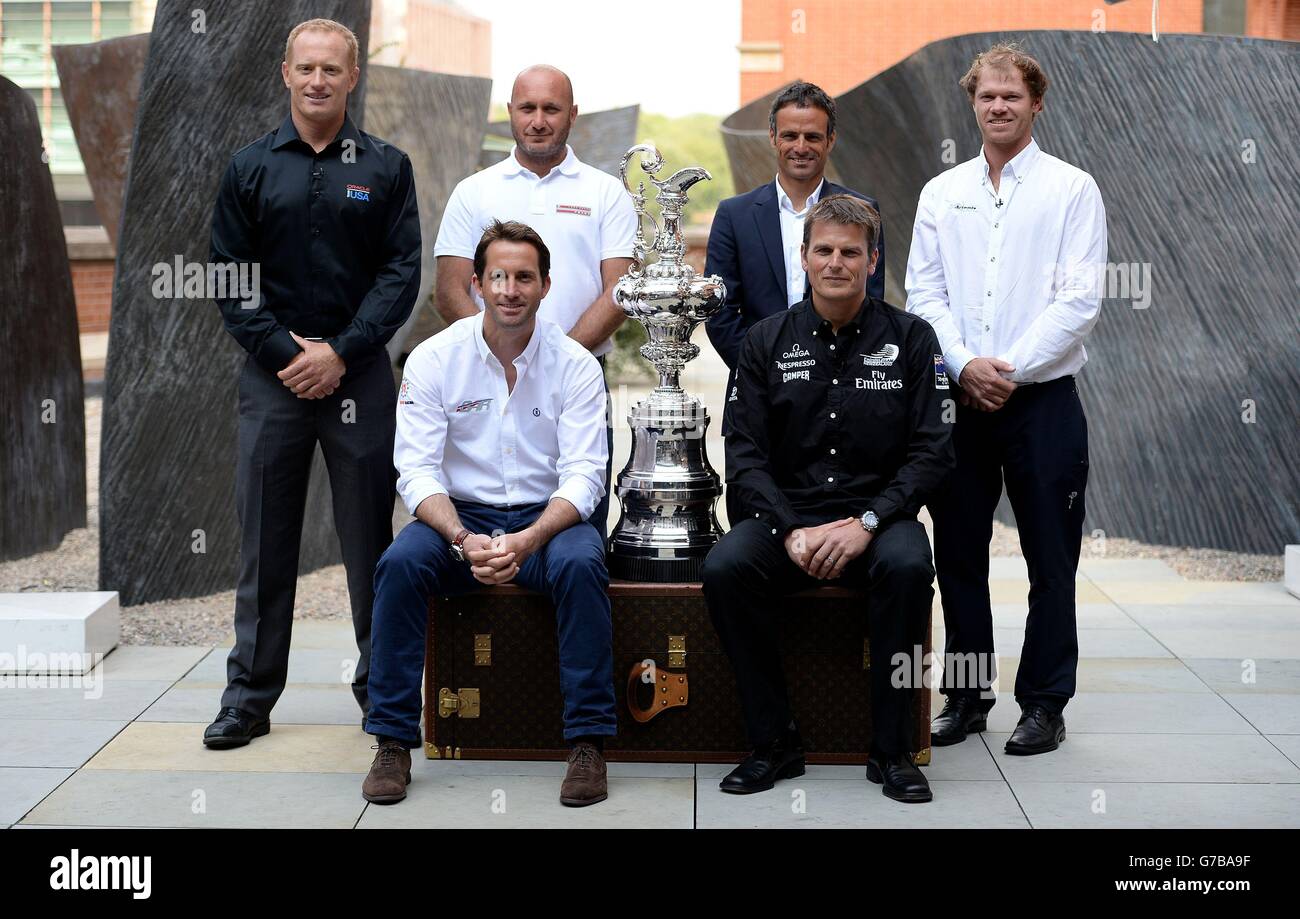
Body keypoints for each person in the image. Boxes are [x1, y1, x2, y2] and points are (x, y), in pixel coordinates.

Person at [205, 18, 420, 748]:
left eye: (333, 68)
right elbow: (231, 278)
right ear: (286, 73)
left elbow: (400, 274)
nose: (319, 80)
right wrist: (284, 353)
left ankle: (381, 691)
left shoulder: (388, 167)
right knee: (264, 543)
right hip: (272, 380)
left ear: (353, 76)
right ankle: (249, 698)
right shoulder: (248, 168)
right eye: (307, 68)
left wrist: (341, 352)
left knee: (371, 543)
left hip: (359, 377)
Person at [702, 195, 954, 803]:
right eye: (824, 250)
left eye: (851, 252)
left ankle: (892, 750)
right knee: (725, 567)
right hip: (787, 518)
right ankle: (773, 744)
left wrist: (867, 522)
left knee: (909, 565)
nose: (836, 262)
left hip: (879, 516)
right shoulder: (763, 342)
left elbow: (934, 451)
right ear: (804, 256)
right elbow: (744, 454)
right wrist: (791, 530)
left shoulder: (915, 341)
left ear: (872, 262)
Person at [362, 220, 615, 807]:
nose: (510, 289)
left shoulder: (576, 365)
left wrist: (527, 539)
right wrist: (460, 536)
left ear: (546, 286)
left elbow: (585, 477)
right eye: (497, 276)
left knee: (582, 566)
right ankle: (393, 740)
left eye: (524, 277)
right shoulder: (433, 359)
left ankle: (587, 745)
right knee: (400, 563)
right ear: (476, 283)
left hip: (547, 520)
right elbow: (417, 473)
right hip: (459, 515)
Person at [905, 42, 1107, 756]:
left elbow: (1080, 301)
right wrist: (963, 364)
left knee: (1051, 561)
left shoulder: (1071, 189)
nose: (998, 107)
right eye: (987, 96)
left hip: (1042, 403)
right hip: (957, 401)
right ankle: (965, 697)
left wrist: (1008, 369)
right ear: (973, 102)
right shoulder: (941, 192)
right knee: (958, 555)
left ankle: (1045, 703)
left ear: (1036, 103)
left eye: (1011, 96)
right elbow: (923, 293)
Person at [433, 64, 635, 538]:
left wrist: (554, 360)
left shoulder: (605, 192)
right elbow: (449, 290)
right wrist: (498, 356)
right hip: (482, 378)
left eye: (551, 108)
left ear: (573, 115)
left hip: (580, 376)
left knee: (578, 522)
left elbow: (621, 292)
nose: (538, 120)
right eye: (528, 108)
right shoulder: (473, 191)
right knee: (483, 518)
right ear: (510, 113)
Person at [705, 80, 885, 442]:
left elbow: (871, 305)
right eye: (790, 135)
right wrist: (771, 373)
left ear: (831, 140)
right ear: (772, 137)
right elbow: (720, 313)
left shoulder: (863, 211)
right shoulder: (734, 215)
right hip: (757, 400)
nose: (801, 147)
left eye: (813, 137)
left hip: (841, 399)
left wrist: (824, 375)